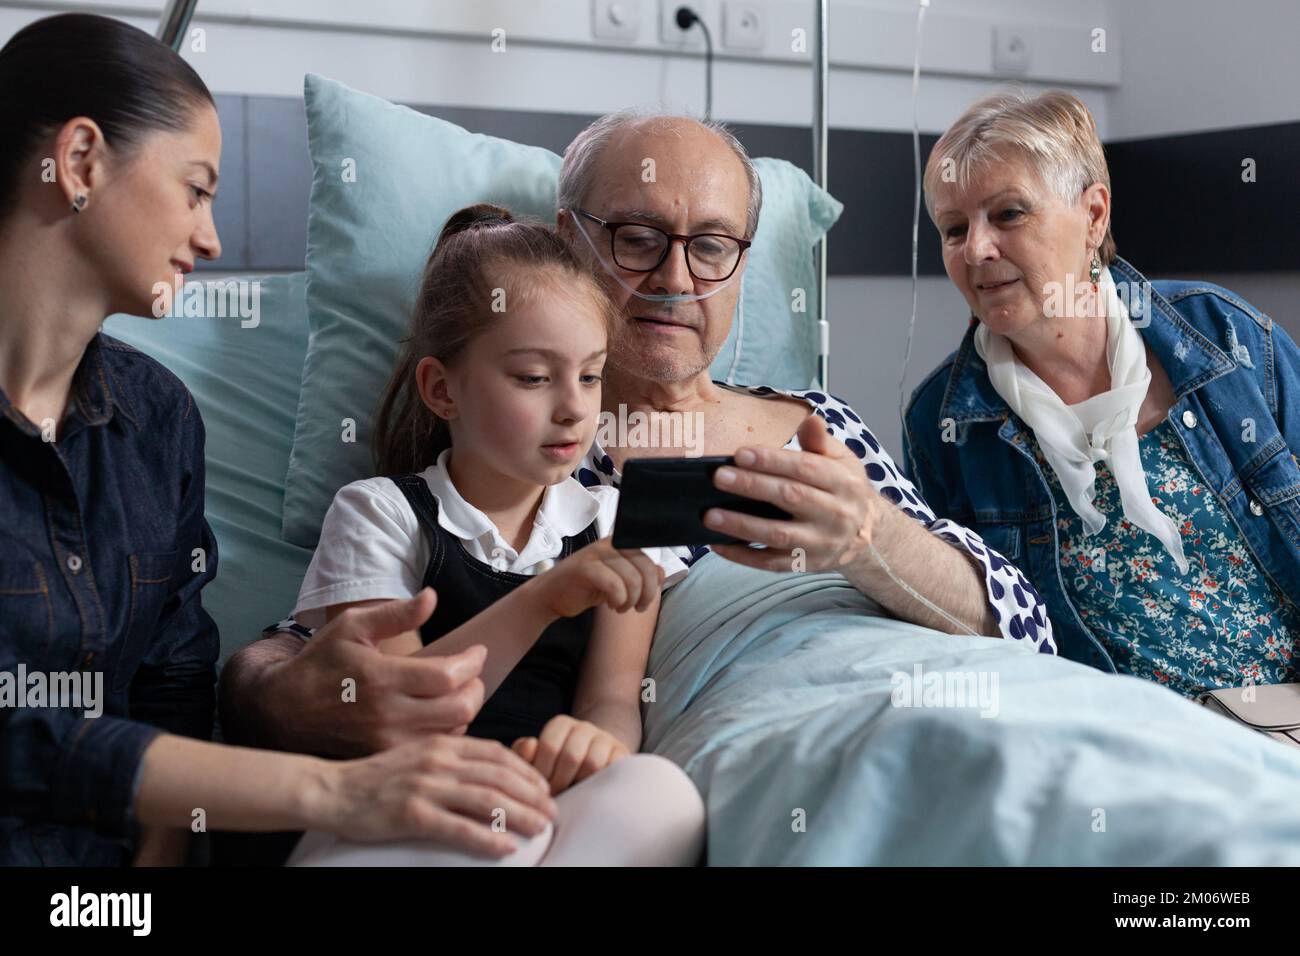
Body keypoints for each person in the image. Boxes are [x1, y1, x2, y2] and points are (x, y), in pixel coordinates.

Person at [219, 109, 1054, 772]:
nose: (677, 279)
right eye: (638, 238)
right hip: (785, 745)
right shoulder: (522, 440)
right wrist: (272, 689)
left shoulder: (819, 424)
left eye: (713, 246)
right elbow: (320, 652)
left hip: (973, 698)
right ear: (566, 238)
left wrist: (870, 539)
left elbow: (1022, 629)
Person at [0, 13, 556, 866]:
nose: (210, 239)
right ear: (79, 163)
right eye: (194, 189)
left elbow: (172, 689)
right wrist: (334, 792)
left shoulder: (158, 422)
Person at [286, 204, 703, 865]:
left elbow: (614, 699)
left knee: (660, 793)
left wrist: (596, 744)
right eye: (534, 378)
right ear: (442, 389)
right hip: (404, 803)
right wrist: (543, 598)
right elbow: (401, 714)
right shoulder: (380, 515)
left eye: (591, 375)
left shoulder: (615, 523)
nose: (573, 406)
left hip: (544, 809)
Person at [903, 88, 1300, 697]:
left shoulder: (1226, 337)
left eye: (1008, 214)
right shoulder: (944, 425)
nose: (977, 249)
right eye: (954, 229)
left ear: (1093, 216)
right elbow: (961, 632)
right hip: (1118, 750)